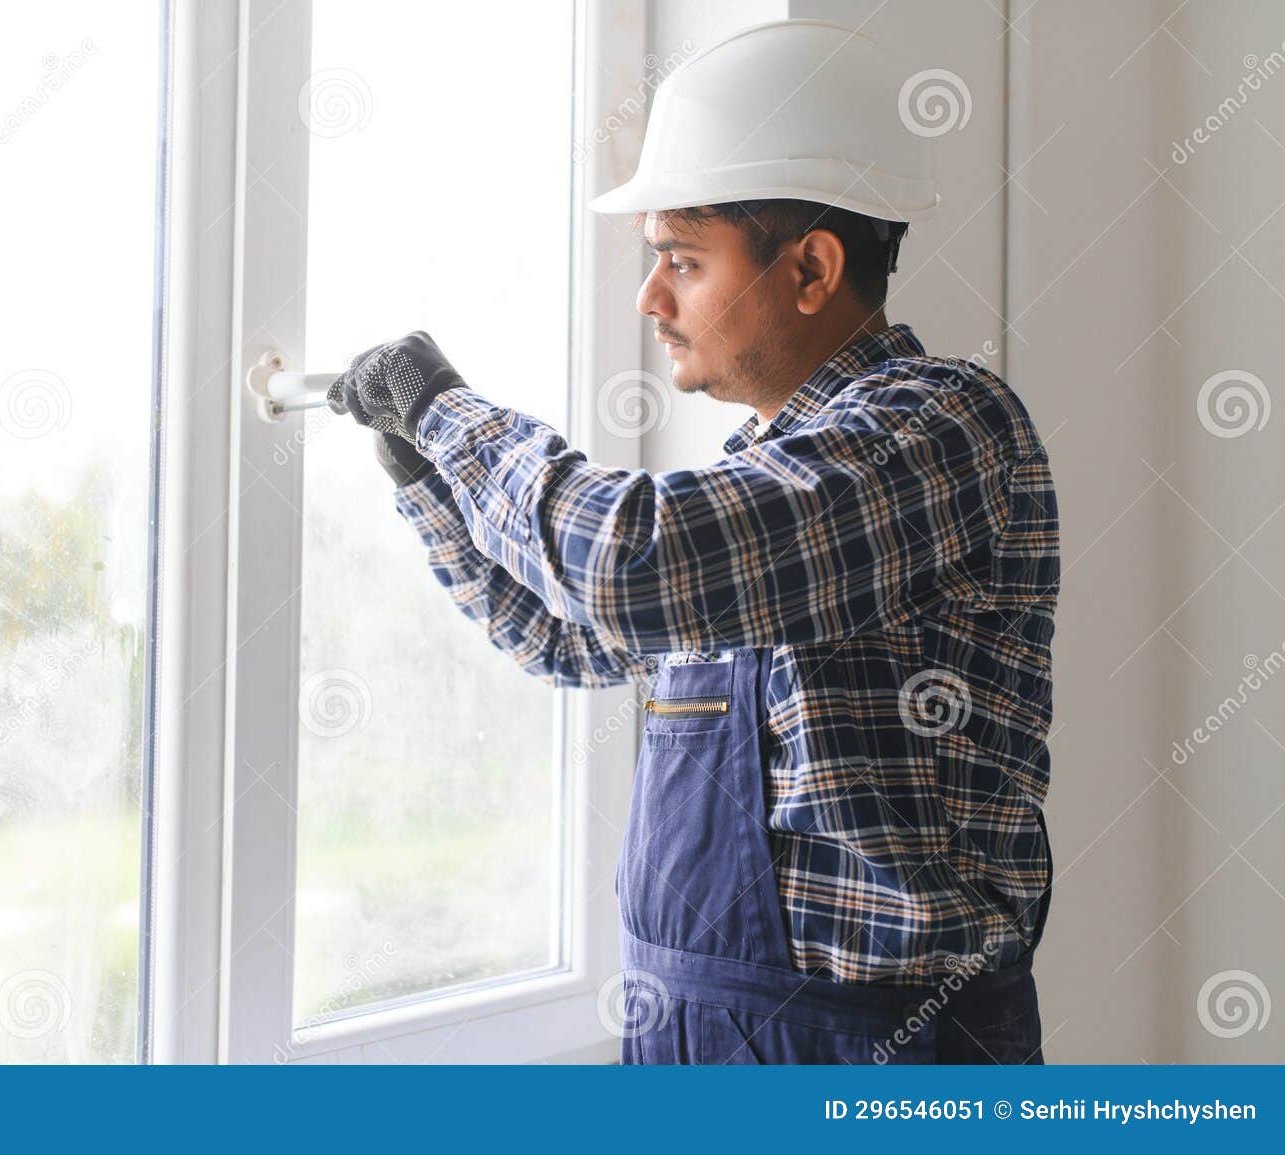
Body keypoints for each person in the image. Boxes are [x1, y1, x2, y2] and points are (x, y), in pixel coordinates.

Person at [326, 18, 1058, 1065]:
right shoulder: (761, 475)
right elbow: (571, 639)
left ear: (810, 268)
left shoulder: (935, 431)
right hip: (689, 1035)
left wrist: (446, 414)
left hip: (879, 1050)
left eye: (681, 260)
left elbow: (629, 565)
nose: (650, 298)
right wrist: (427, 485)